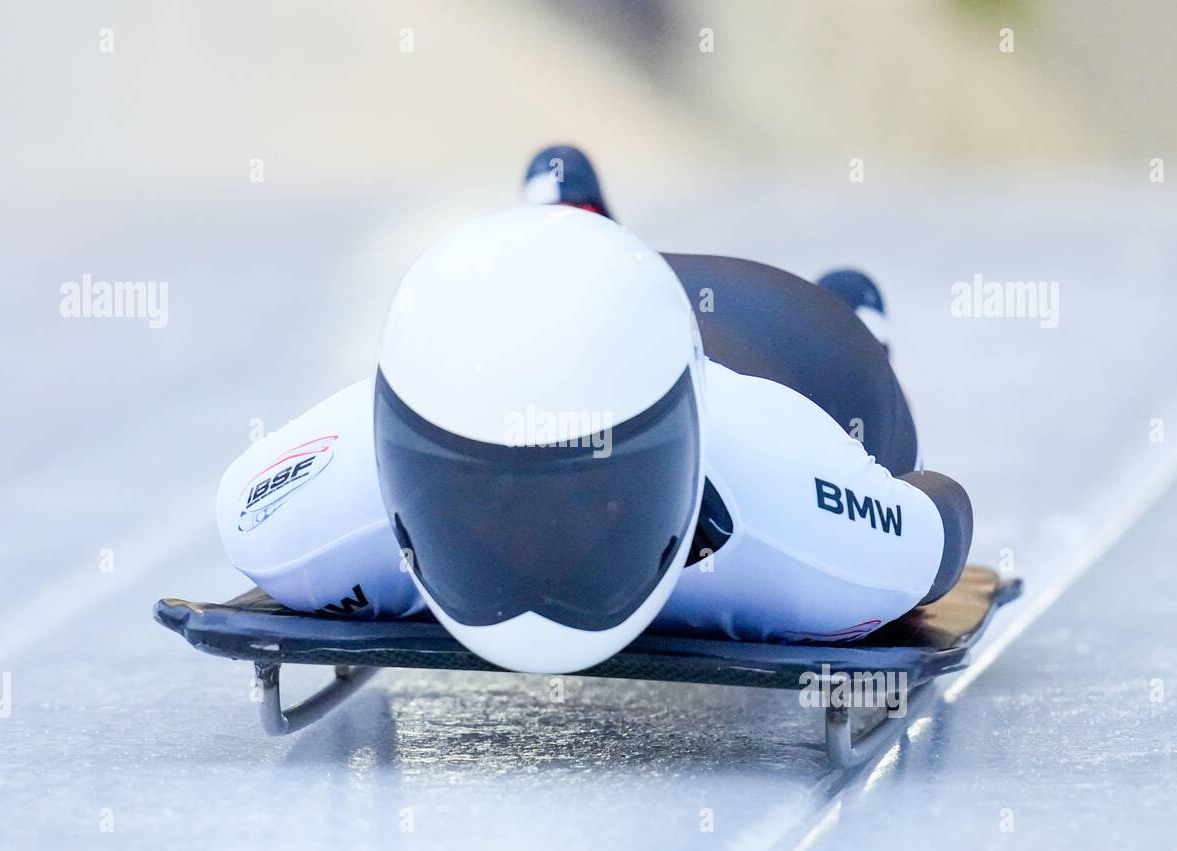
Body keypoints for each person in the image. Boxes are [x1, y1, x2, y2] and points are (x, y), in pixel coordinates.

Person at [215, 162, 972, 674]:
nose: (538, 553)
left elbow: (932, 530)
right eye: (491, 496)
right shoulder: (822, 562)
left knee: (873, 410)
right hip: (748, 336)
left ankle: (856, 319)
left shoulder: (802, 515)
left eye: (585, 495)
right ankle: (569, 227)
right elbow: (940, 528)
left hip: (792, 344)